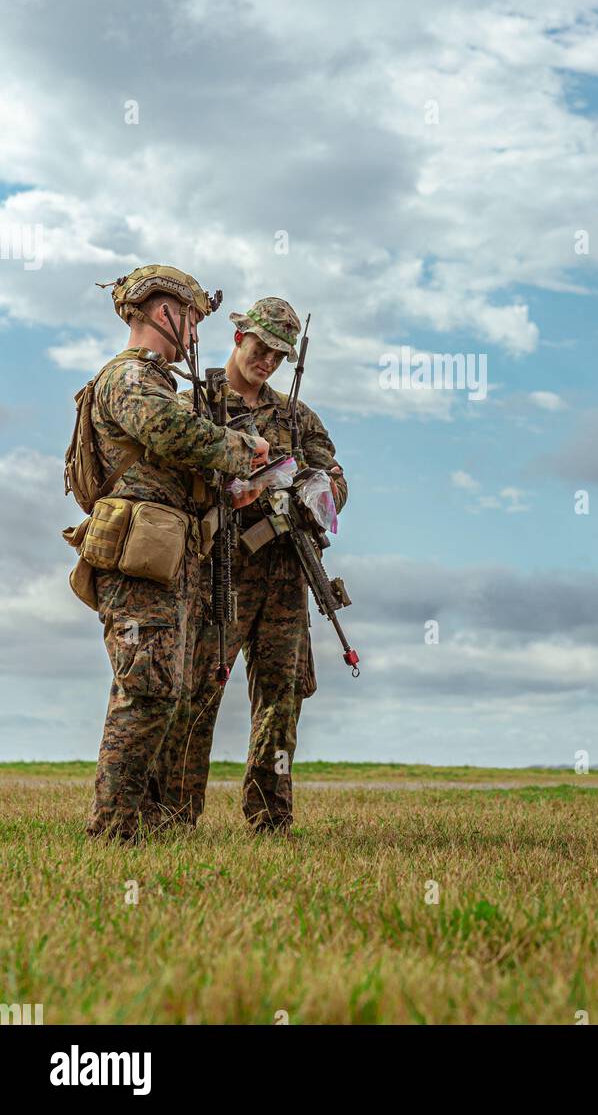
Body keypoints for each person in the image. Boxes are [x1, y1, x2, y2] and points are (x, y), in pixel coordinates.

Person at [71, 265, 269, 841]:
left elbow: (175, 462)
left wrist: (233, 486)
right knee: (146, 690)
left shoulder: (154, 381)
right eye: (191, 319)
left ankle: (143, 826)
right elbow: (171, 431)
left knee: (167, 690)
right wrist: (243, 449)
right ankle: (112, 833)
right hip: (139, 560)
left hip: (165, 558)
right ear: (166, 314)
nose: (193, 332)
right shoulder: (131, 378)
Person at [156, 296, 347, 834]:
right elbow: (173, 472)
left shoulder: (297, 416)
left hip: (287, 573)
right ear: (240, 339)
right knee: (197, 693)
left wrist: (319, 490)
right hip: (224, 568)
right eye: (260, 348)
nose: (267, 361)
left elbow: (337, 478)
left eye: (278, 356)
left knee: (282, 699)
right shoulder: (198, 405)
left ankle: (270, 817)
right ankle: (174, 814)